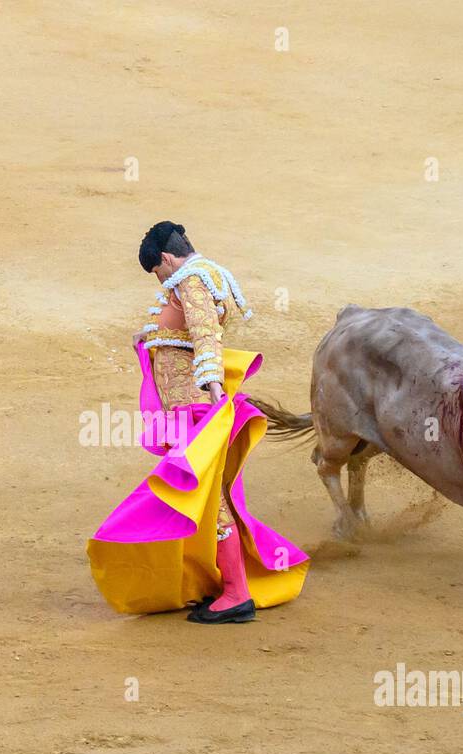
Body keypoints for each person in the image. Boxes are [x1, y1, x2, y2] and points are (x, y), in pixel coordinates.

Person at [87, 221, 308, 623]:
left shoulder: (191, 281)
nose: (162, 279)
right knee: (204, 493)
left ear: (167, 259)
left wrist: (212, 390)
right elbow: (190, 334)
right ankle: (219, 583)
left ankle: (237, 593)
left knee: (205, 493)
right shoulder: (204, 278)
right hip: (190, 408)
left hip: (194, 408)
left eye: (158, 272)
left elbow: (207, 336)